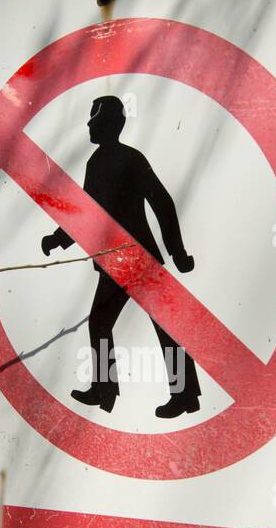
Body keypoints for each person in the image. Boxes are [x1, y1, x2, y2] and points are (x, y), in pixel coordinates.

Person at [41, 95, 201, 418]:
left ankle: (176, 395)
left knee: (158, 326)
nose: (88, 124)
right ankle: (108, 391)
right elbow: (84, 215)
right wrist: (58, 240)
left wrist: (178, 251)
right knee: (106, 323)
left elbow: (162, 203)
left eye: (93, 118)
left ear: (109, 123)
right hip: (117, 261)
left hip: (135, 259)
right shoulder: (96, 163)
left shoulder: (129, 160)